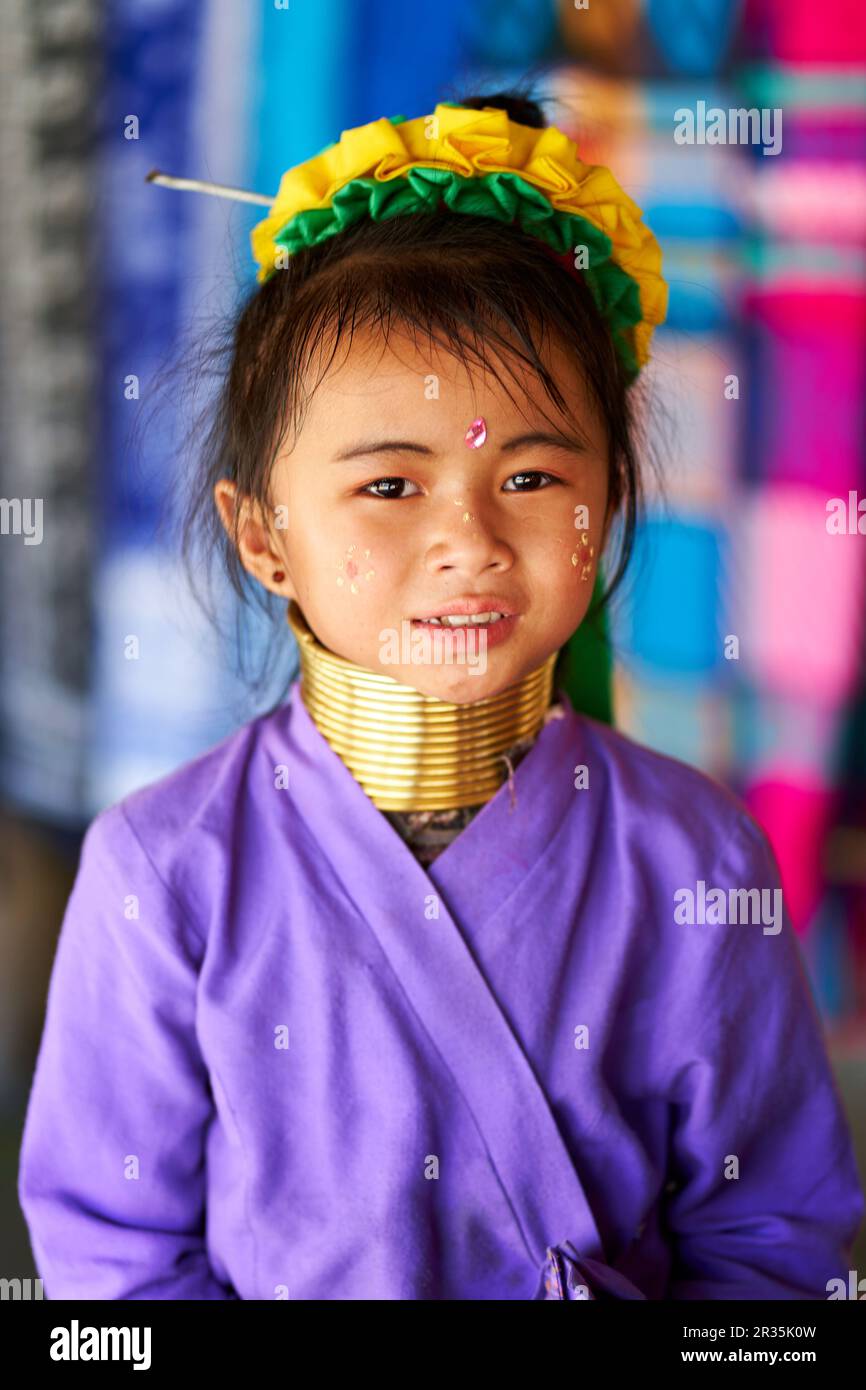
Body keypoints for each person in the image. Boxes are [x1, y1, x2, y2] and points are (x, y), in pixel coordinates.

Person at [18, 91, 863, 1300]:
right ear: (263, 536)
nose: (467, 540)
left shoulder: (694, 860)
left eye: (527, 474)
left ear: (604, 505)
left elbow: (770, 1247)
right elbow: (111, 1271)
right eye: (388, 487)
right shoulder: (163, 874)